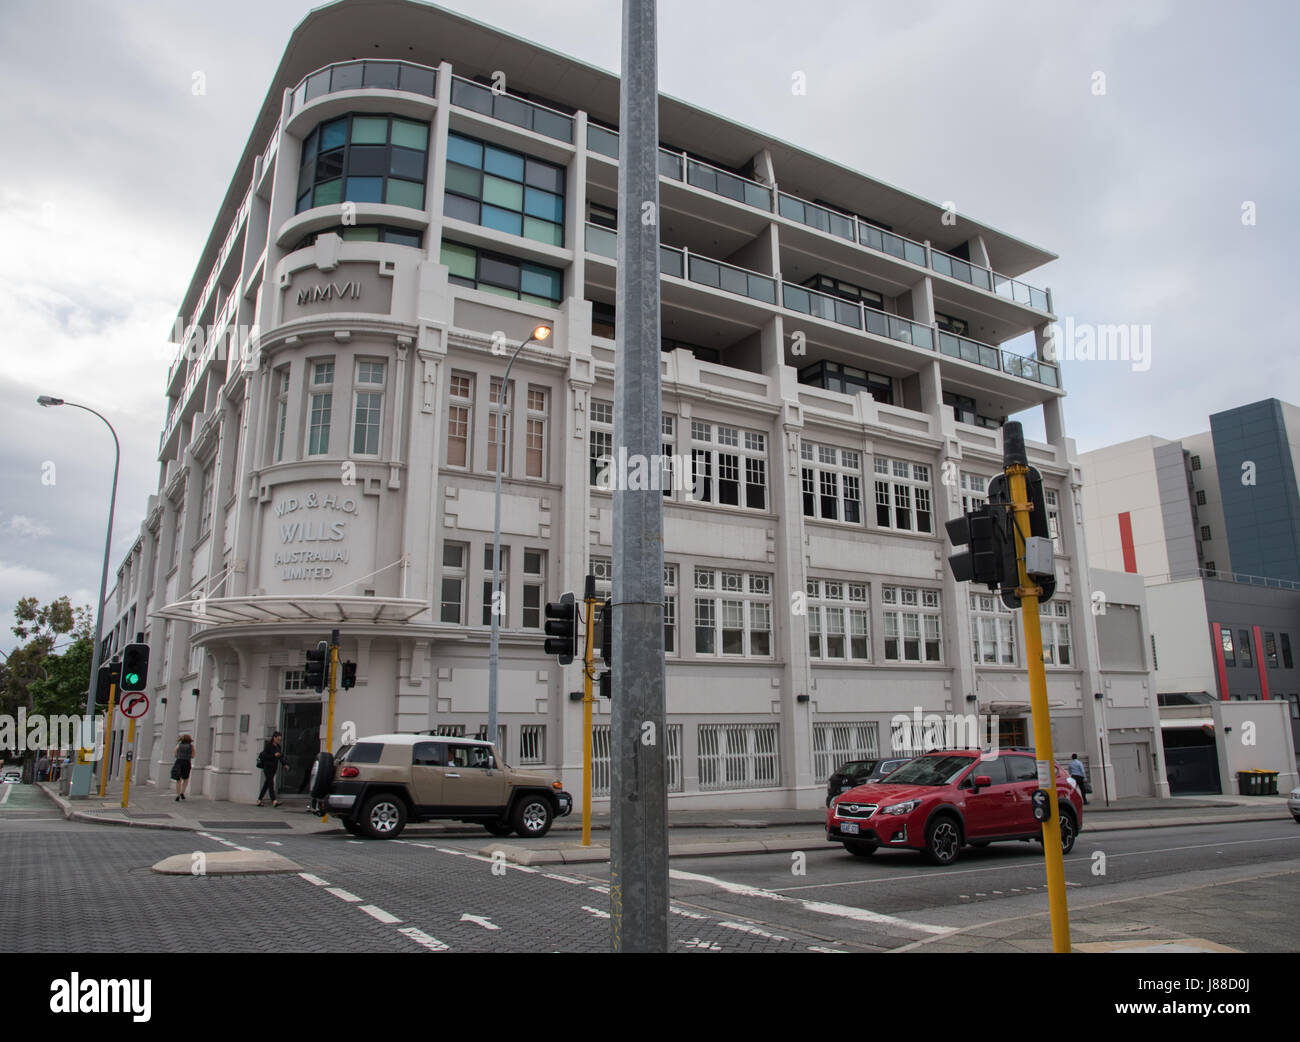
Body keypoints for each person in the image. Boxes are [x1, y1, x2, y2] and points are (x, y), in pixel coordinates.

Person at [257, 731, 284, 807]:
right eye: (278, 739)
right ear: (274, 738)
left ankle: (259, 800)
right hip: (267, 767)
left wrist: (285, 764)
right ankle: (274, 801)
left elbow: (280, 756)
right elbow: (265, 756)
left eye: (280, 739)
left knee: (267, 784)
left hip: (274, 768)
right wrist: (274, 755)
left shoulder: (278, 747)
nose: (279, 741)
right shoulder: (268, 746)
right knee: (271, 783)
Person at [173, 734, 195, 801]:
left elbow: (175, 755)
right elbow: (193, 756)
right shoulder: (191, 746)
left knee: (178, 779)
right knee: (185, 778)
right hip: (187, 762)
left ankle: (177, 795)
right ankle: (182, 792)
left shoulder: (178, 745)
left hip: (179, 762)